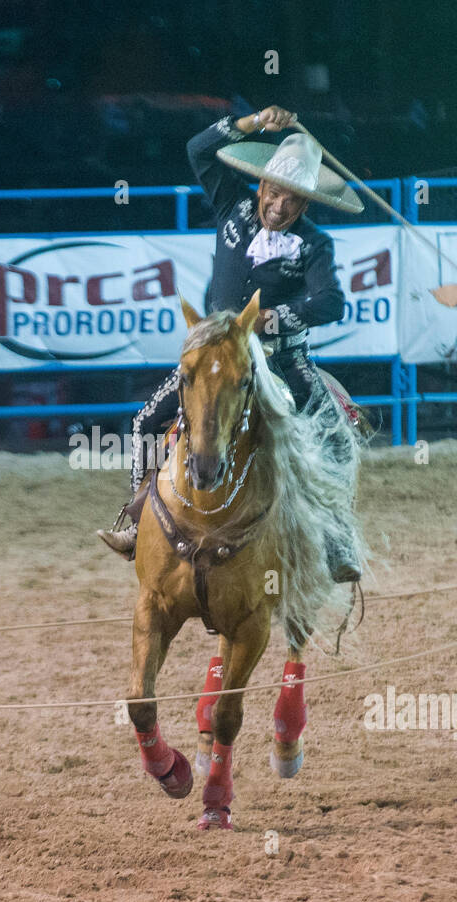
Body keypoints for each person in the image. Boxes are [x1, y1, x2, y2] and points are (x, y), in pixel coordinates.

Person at [96, 105, 364, 583]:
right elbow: (198, 149)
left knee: (334, 441)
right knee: (143, 424)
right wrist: (252, 122)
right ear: (261, 185)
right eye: (276, 194)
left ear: (307, 205)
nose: (280, 208)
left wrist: (275, 318)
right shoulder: (231, 207)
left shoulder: (314, 244)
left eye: (294, 202)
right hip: (219, 351)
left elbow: (332, 302)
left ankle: (336, 539)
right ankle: (137, 525)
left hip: (282, 358)